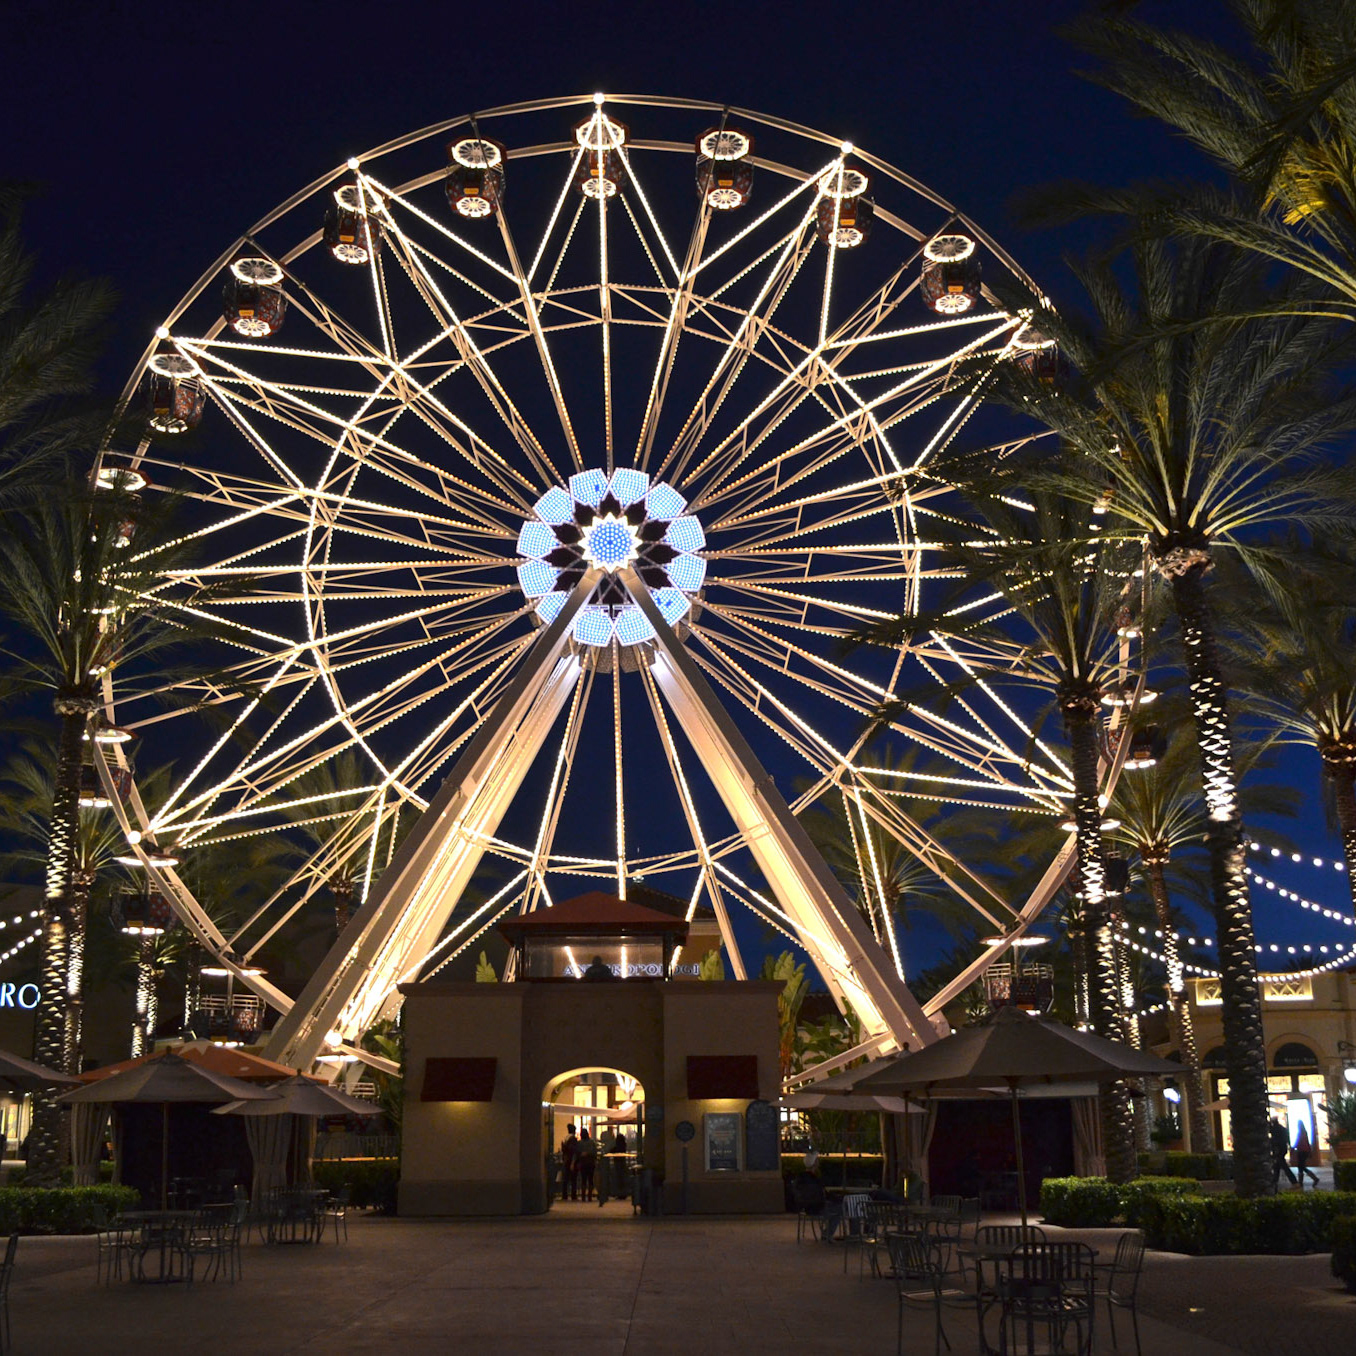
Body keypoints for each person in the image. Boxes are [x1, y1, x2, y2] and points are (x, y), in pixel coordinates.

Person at [1271, 1117, 1297, 1188]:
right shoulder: (1283, 1129)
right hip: (1283, 1148)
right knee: (1277, 1165)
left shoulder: (1275, 1129)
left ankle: (1293, 1181)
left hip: (1278, 1149)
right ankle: (1275, 1181)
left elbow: (1274, 1138)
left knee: (1282, 1165)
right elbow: (1287, 1139)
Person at [1293, 1121, 1319, 1189]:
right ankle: (1302, 1181)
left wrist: (1293, 1148)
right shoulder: (1305, 1132)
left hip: (1301, 1151)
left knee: (1301, 1166)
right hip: (1305, 1151)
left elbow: (1298, 1141)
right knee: (1301, 1166)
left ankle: (1313, 1178)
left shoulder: (1300, 1133)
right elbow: (1306, 1142)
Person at [560, 1123, 580, 1201]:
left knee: (565, 1179)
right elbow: (574, 1152)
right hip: (571, 1161)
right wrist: (573, 1162)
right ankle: (573, 1195)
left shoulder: (565, 1138)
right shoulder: (573, 1139)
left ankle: (564, 1195)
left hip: (566, 1160)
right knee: (573, 1179)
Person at [577, 1128, 597, 1202]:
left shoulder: (579, 1143)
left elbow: (577, 1153)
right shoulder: (592, 1142)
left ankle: (583, 1196)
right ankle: (589, 1196)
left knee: (583, 1179)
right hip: (591, 1163)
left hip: (583, 1163)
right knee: (590, 1179)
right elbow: (594, 1152)